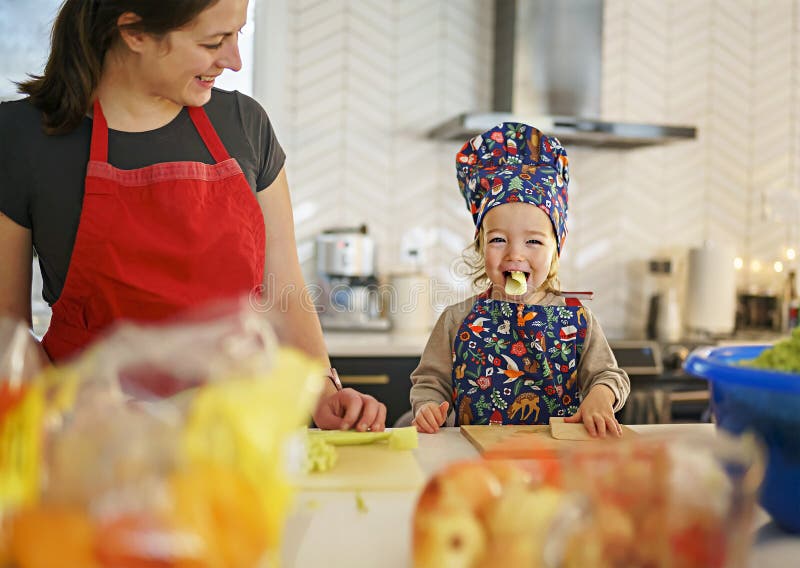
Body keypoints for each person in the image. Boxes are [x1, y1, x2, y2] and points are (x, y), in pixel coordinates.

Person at [0, 0, 385, 432]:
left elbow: (285, 290)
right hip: (90, 445)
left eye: (238, 35)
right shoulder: (20, 138)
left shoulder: (245, 125)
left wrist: (323, 390)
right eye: (214, 42)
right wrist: (69, 413)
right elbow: (6, 332)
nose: (234, 61)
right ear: (134, 31)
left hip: (238, 441)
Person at [410, 122, 630, 437]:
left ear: (556, 251)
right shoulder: (456, 320)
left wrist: (600, 396)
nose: (515, 253)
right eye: (498, 240)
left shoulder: (578, 319)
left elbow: (609, 376)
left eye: (534, 242)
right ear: (481, 246)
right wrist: (428, 406)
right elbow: (430, 383)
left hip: (556, 455)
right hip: (474, 454)